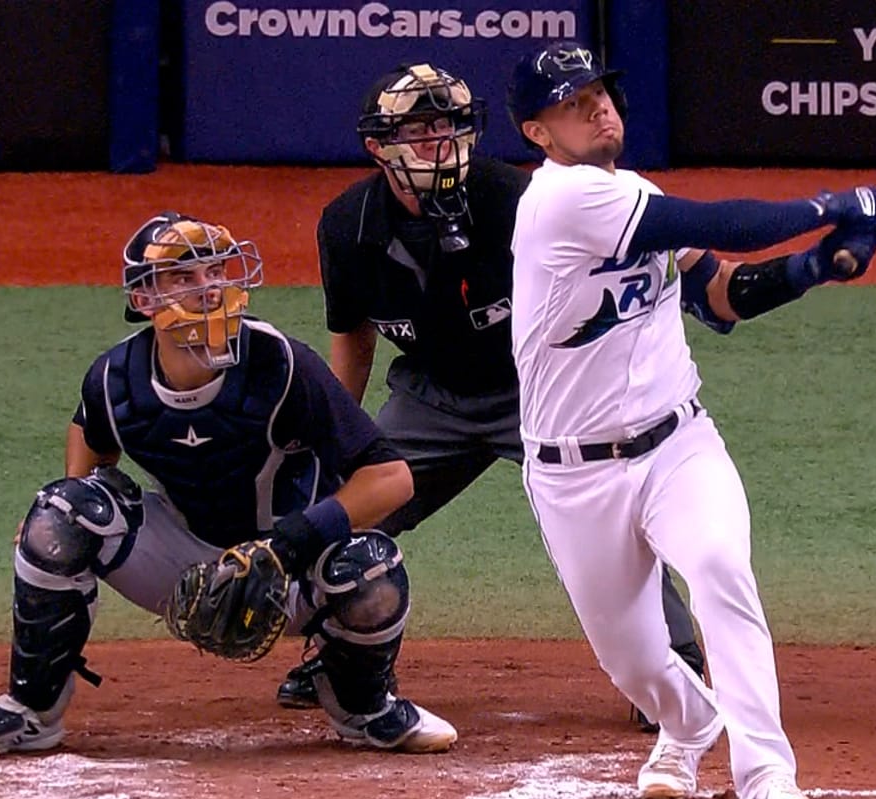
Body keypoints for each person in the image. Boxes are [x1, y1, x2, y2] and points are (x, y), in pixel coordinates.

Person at [505, 41, 876, 799]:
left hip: (677, 444)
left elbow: (721, 296)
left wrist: (818, 268)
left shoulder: (630, 191)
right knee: (637, 664)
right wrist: (836, 205)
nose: (597, 107)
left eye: (601, 93)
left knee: (719, 568)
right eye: (572, 103)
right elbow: (717, 221)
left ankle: (767, 780)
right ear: (536, 133)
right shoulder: (562, 201)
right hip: (573, 476)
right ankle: (688, 725)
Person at [277, 61, 709, 732]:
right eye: (419, 130)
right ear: (378, 148)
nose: (438, 142)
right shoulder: (347, 226)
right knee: (349, 507)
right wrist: (346, 441)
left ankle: (672, 665)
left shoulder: (513, 198)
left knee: (610, 517)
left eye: (448, 125)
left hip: (540, 392)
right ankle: (346, 659)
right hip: (431, 398)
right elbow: (353, 335)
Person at [0, 212, 458, 758]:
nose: (208, 287)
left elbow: (392, 478)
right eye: (184, 277)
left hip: (290, 565)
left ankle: (363, 706)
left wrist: (287, 545)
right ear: (144, 299)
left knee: (373, 569)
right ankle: (31, 710)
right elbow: (90, 434)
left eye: (215, 271)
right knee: (60, 516)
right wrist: (60, 526)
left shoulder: (280, 364)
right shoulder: (116, 378)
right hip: (182, 563)